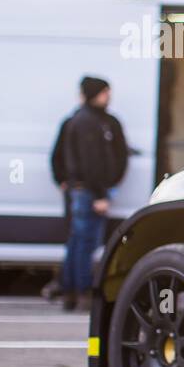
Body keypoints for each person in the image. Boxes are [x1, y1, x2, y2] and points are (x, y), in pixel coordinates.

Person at [51, 76, 128, 312]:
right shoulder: (89, 123)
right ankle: (82, 291)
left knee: (77, 241)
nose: (108, 97)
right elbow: (90, 163)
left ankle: (70, 291)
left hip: (84, 190)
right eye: (105, 92)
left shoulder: (84, 120)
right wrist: (99, 194)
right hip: (89, 193)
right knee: (86, 243)